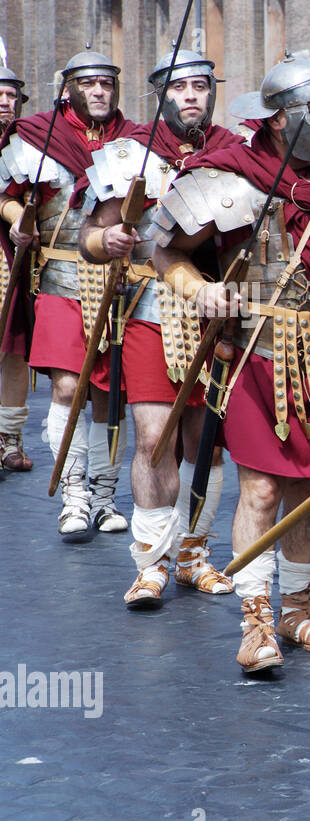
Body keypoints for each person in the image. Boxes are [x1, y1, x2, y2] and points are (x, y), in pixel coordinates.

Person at [150, 53, 310, 672]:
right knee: (260, 488)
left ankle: (299, 608)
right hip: (259, 354)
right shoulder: (233, 178)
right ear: (279, 120)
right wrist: (201, 290)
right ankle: (256, 621)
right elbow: (163, 251)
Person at [78, 49, 245, 607]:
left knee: (208, 444)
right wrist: (111, 242)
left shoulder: (235, 153)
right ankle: (151, 560)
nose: (192, 96)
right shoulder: (131, 154)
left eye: (201, 85)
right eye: (180, 87)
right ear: (161, 95)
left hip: (219, 310)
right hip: (151, 309)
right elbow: (90, 238)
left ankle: (193, 554)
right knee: (154, 439)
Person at [0, 50, 140, 537]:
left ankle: (105, 494)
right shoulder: (39, 137)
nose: (99, 91)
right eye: (89, 83)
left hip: (122, 283)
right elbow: (7, 195)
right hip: (61, 278)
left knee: (109, 393)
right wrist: (20, 223)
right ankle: (75, 493)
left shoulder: (137, 142)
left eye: (106, 82)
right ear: (70, 89)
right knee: (66, 387)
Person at [0, 65, 33, 472]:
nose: (4, 103)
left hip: (19, 256)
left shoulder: (29, 144)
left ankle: (8, 438)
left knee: (14, 348)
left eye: (10, 95)